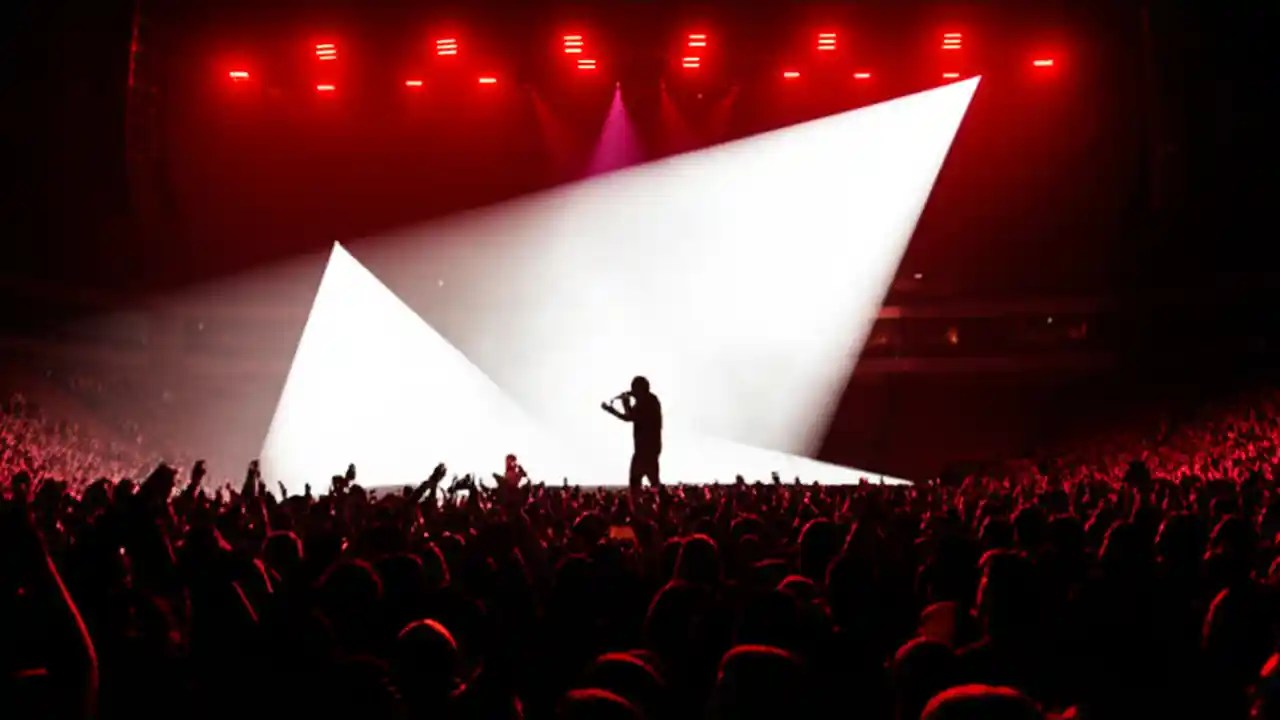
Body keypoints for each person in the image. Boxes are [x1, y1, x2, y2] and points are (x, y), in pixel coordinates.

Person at [601, 376, 663, 491]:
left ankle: (660, 498)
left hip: (647, 448)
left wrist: (625, 404)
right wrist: (613, 410)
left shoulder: (649, 402)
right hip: (645, 448)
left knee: (640, 480)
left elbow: (631, 417)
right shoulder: (647, 401)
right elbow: (630, 416)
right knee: (647, 479)